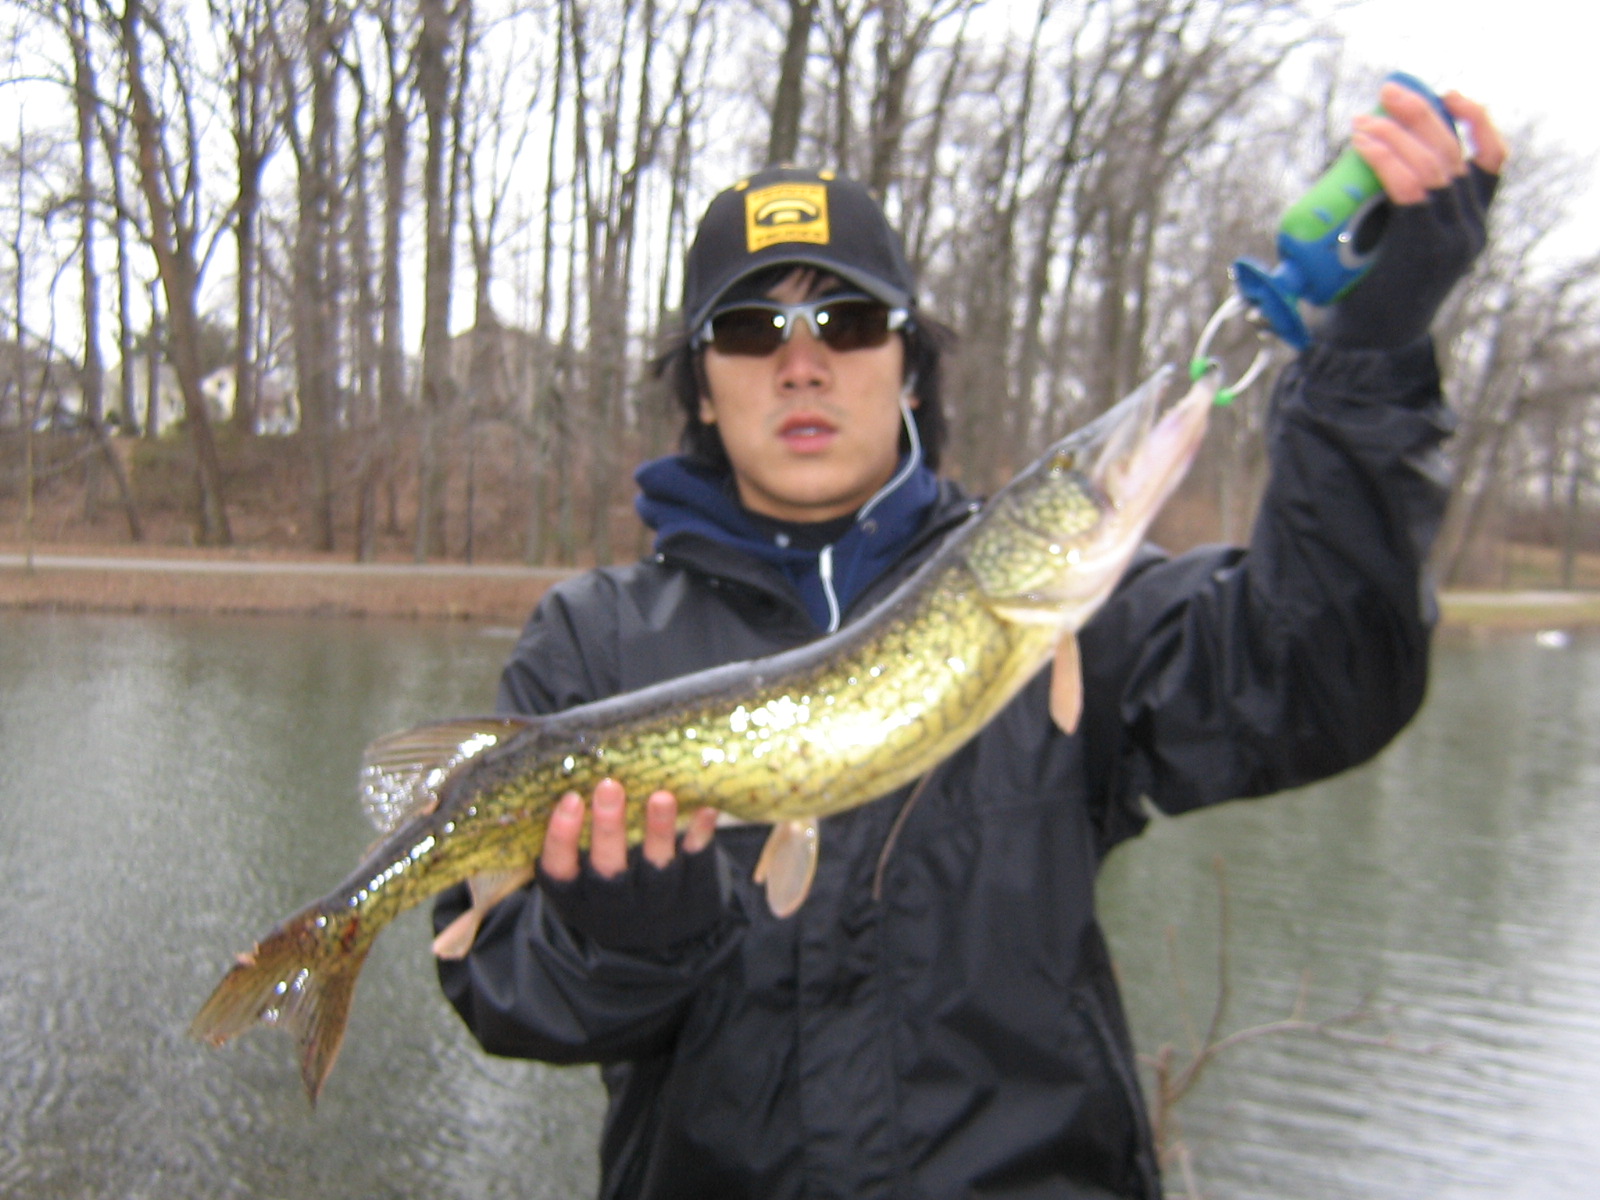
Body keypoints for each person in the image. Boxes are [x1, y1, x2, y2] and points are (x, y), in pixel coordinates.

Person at [436, 83, 1508, 1199]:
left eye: (847, 323)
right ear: (700, 389)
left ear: (907, 365)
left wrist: (1368, 369)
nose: (802, 365)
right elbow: (499, 991)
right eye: (752, 331)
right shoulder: (591, 641)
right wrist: (628, 939)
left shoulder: (1081, 621)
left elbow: (1326, 676)